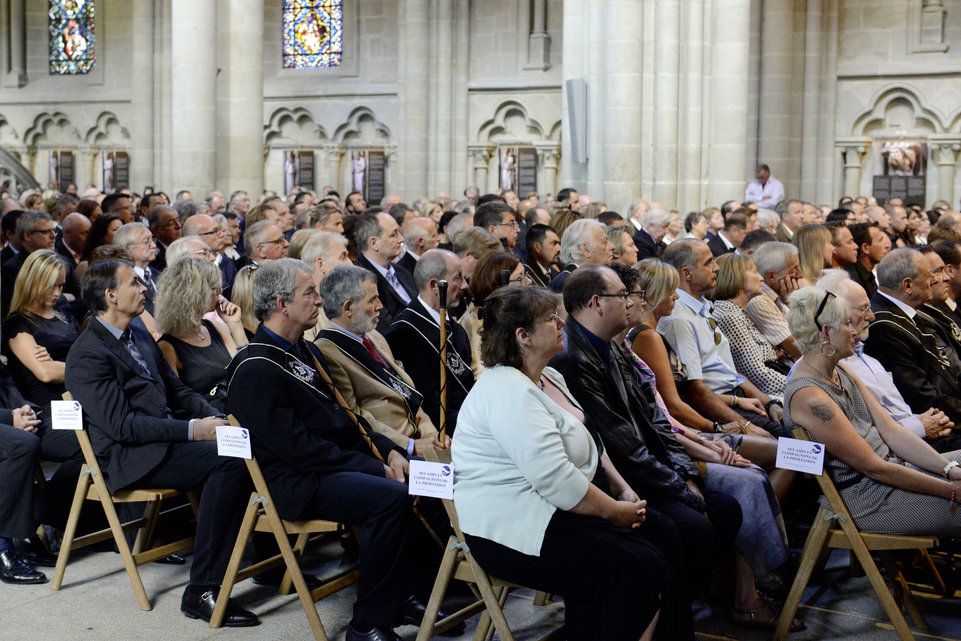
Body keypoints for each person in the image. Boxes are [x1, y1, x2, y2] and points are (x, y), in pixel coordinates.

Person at [453, 285, 692, 641]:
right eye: (550, 319)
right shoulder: (505, 390)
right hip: (512, 529)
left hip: (552, 510)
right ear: (523, 336)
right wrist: (613, 511)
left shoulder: (550, 377)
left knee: (660, 531)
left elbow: (591, 440)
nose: (561, 323)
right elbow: (556, 480)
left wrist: (622, 490)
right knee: (634, 567)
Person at [225, 258, 442, 641]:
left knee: (431, 475)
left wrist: (387, 451)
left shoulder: (303, 352)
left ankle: (409, 589)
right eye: (309, 292)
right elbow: (300, 451)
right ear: (281, 305)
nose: (318, 299)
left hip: (333, 465)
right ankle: (367, 623)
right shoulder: (256, 366)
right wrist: (374, 467)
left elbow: (349, 418)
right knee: (391, 496)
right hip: (297, 482)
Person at [65, 259, 258, 627]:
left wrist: (218, 419)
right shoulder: (87, 353)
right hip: (131, 456)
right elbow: (122, 427)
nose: (144, 289)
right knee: (230, 461)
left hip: (164, 441)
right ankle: (202, 590)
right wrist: (193, 431)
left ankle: (264, 555)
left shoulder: (136, 333)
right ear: (110, 295)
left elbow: (177, 390)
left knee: (247, 440)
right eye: (135, 284)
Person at [549, 266, 744, 598]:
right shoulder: (575, 360)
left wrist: (684, 476)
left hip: (649, 469)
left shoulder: (614, 347)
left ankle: (690, 595)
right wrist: (679, 488)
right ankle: (671, 605)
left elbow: (656, 421)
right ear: (597, 303)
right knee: (693, 526)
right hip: (621, 482)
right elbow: (620, 444)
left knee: (726, 508)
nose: (630, 302)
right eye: (622, 295)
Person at [784, 285, 961, 539]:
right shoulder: (810, 397)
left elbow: (893, 432)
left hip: (896, 472)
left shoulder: (840, 369)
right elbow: (874, 468)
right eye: (847, 324)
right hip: (869, 497)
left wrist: (949, 470)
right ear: (826, 332)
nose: (855, 331)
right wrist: (950, 490)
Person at [817, 269, 961, 452]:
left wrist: (928, 420)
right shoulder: (833, 369)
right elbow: (868, 440)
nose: (871, 316)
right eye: (863, 309)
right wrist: (921, 427)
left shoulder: (867, 358)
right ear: (836, 315)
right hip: (904, 455)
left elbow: (898, 414)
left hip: (923, 441)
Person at [658, 240, 787, 437]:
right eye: (709, 262)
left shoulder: (702, 306)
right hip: (719, 406)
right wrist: (746, 426)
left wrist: (768, 402)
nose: (717, 268)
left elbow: (730, 371)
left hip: (736, 397)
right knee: (793, 446)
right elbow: (695, 392)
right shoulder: (679, 319)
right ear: (687, 274)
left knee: (800, 432)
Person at [315, 265, 444, 456]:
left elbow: (408, 393)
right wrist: (411, 445)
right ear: (348, 308)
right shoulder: (327, 351)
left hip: (421, 442)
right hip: (390, 452)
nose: (380, 306)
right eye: (372, 300)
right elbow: (356, 417)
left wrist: (430, 434)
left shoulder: (375, 337)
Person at [863, 248, 961, 425]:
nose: (934, 280)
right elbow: (921, 397)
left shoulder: (910, 311)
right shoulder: (884, 327)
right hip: (934, 425)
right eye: (928, 275)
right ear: (907, 285)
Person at [386, 249, 474, 432]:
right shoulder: (404, 334)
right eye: (458, 278)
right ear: (435, 285)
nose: (465, 286)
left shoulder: (456, 329)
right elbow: (429, 405)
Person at [155, 258, 248, 413]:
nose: (220, 293)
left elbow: (248, 367)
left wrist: (235, 325)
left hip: (241, 403)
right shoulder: (167, 347)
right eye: (214, 288)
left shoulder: (216, 327)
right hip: (214, 418)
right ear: (194, 294)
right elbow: (178, 401)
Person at [3, 250, 82, 409]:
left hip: (84, 395)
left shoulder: (65, 316)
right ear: (32, 282)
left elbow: (92, 353)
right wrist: (93, 369)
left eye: (61, 286)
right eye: (51, 286)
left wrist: (59, 364)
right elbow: (47, 373)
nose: (57, 293)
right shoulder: (18, 323)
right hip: (53, 407)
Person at [710, 254, 788, 397]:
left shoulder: (735, 311)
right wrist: (801, 386)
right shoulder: (730, 316)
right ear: (736, 276)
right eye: (754, 272)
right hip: (769, 394)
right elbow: (758, 375)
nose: (761, 278)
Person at [459, 251, 529, 377]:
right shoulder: (477, 322)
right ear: (498, 286)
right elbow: (484, 374)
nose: (528, 281)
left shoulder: (512, 314)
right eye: (521, 278)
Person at [353, 211, 417, 333]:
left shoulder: (402, 271)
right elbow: (387, 329)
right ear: (374, 243)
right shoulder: (360, 280)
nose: (401, 239)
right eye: (393, 235)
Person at [745, 241, 803, 359]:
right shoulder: (758, 302)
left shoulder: (779, 295)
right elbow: (799, 349)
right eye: (794, 269)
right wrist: (794, 302)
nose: (800, 274)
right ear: (771, 276)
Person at [2, 212, 58, 319]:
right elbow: (15, 310)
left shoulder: (60, 259)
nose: (53, 236)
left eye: (54, 231)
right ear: (27, 236)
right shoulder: (12, 268)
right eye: (46, 232)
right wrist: (64, 298)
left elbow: (79, 297)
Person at [549, 218, 613, 292]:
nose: (612, 247)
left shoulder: (586, 278)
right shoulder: (567, 283)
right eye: (604, 242)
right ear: (586, 250)